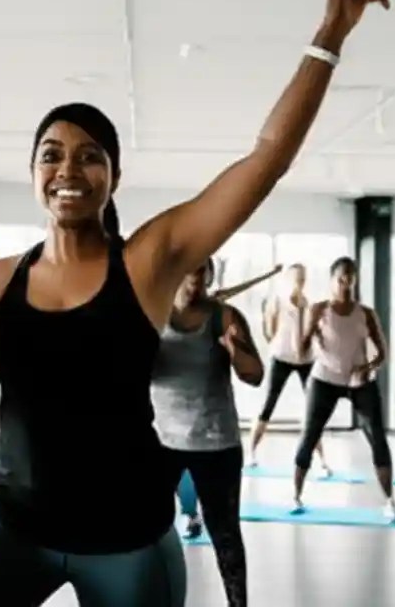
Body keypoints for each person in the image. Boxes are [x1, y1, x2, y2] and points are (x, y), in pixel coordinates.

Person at [0, 0, 390, 607]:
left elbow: (266, 157)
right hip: (13, 521)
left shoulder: (147, 262)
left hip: (128, 538)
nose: (68, 169)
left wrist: (329, 33)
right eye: (51, 154)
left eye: (90, 156)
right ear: (32, 173)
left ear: (113, 178)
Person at [151, 258, 263, 607]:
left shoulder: (224, 317)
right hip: (161, 442)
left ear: (209, 275)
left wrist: (236, 348)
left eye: (201, 271)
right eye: (188, 269)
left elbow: (255, 374)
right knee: (144, 532)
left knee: (225, 534)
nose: (194, 279)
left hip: (216, 442)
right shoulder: (152, 313)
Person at [291, 257, 395, 522]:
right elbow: (300, 351)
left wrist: (368, 367)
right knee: (310, 434)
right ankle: (295, 495)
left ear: (355, 279)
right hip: (325, 379)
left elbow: (383, 353)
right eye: (340, 278)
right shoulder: (319, 310)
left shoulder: (366, 313)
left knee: (377, 437)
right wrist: (302, 319)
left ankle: (390, 501)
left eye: (350, 278)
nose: (345, 283)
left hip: (359, 382)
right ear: (332, 280)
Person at [247, 263, 332, 474]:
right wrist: (280, 346)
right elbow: (270, 330)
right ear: (289, 279)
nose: (300, 281)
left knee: (314, 410)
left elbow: (313, 332)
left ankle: (322, 460)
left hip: (306, 361)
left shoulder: (308, 305)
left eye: (303, 278)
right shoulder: (278, 302)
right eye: (297, 277)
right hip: (281, 358)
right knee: (268, 405)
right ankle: (251, 453)